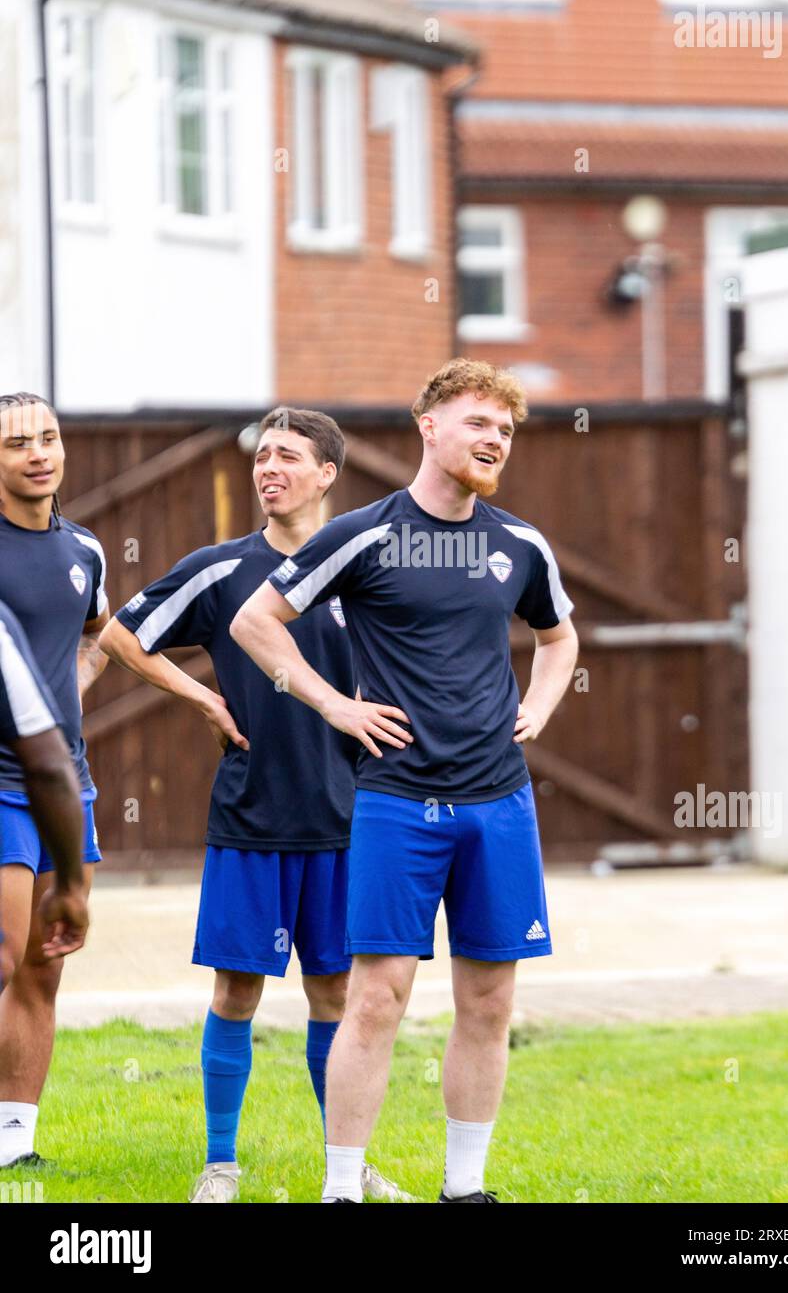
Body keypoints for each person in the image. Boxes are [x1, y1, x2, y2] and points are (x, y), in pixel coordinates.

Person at [231, 359, 579, 1204]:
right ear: (430, 427)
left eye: (505, 430)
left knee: (490, 1002)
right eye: (478, 424)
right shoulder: (363, 534)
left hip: (499, 803)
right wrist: (332, 705)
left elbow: (560, 638)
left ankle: (466, 1188)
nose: (494, 440)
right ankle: (342, 1191)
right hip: (395, 805)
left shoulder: (518, 545)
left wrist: (538, 704)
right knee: (378, 1000)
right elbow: (255, 622)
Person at [100, 407, 411, 1204]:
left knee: (336, 996)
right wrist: (202, 698)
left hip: (350, 820)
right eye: (262, 456)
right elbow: (122, 636)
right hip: (250, 818)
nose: (269, 467)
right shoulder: (221, 570)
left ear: (327, 476)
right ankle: (220, 1164)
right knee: (236, 991)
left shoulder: (363, 568)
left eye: (288, 456)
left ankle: (347, 1167)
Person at [0, 392, 108, 1169]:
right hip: (3, 786)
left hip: (68, 785)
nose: (37, 453)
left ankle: (15, 1147)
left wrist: (56, 704)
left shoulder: (85, 552)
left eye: (48, 438)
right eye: (16, 444)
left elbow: (98, 637)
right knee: (4, 956)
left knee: (44, 966)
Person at [0, 598, 90, 1001]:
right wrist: (70, 886)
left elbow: (102, 629)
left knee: (35, 968)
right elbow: (50, 766)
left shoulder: (85, 553)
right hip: (13, 792)